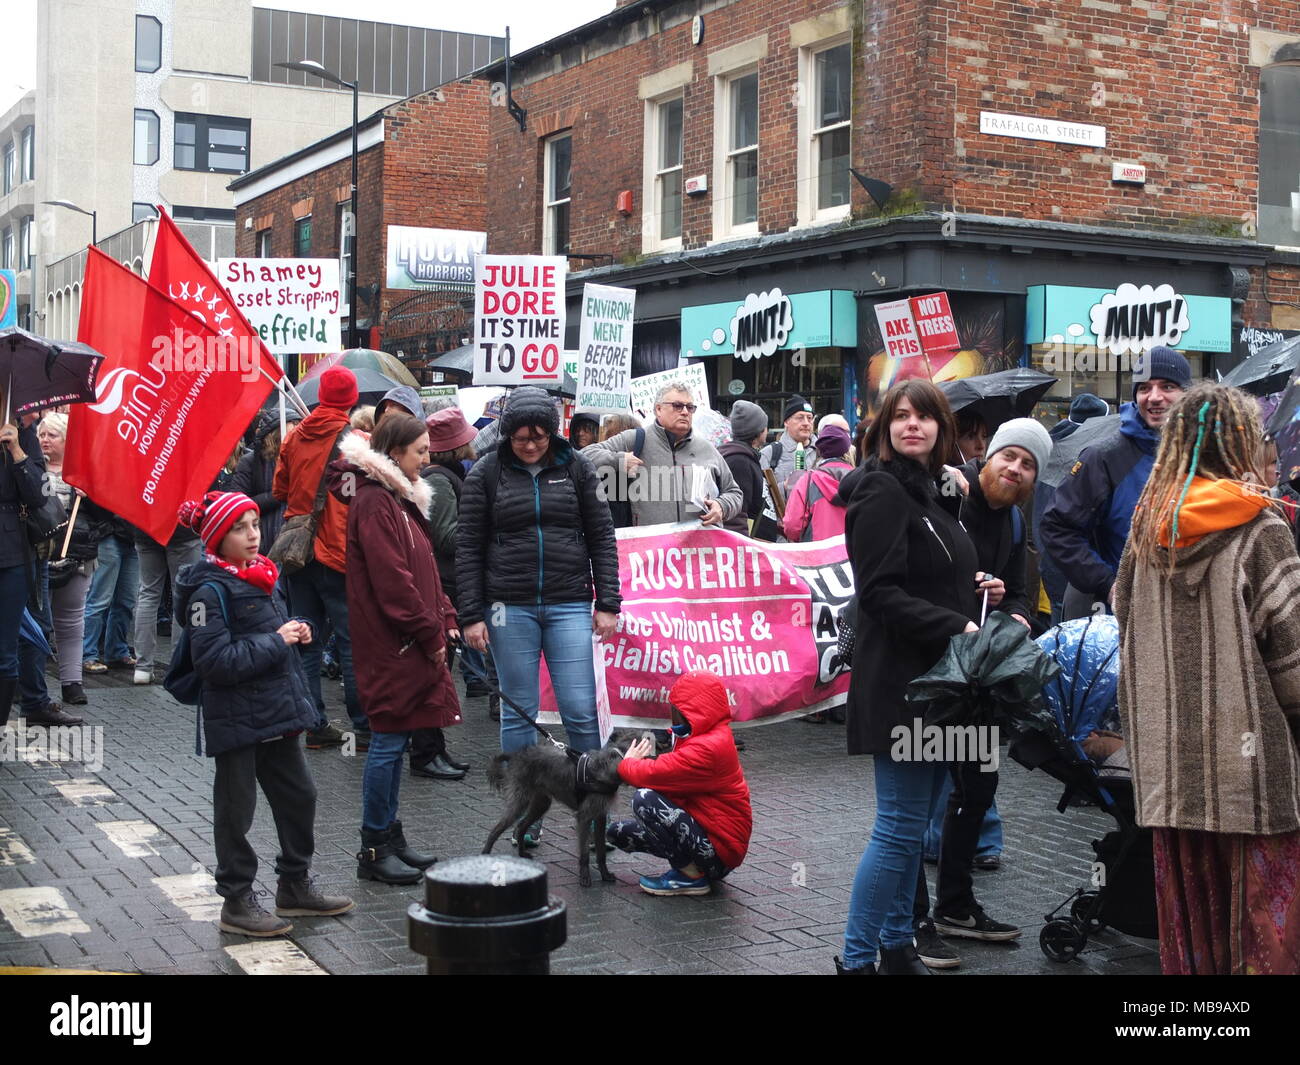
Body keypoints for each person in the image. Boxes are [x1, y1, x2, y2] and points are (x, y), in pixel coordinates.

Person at [1114, 382, 1300, 974]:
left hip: (1170, 775)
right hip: (1253, 782)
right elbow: (1294, 665)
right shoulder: (1261, 528)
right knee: (1264, 942)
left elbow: (1122, 616)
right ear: (1243, 444)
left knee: (1193, 940)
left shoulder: (1147, 530)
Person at [835, 379, 982, 976]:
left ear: (941, 428)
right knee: (898, 828)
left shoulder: (928, 494)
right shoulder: (881, 490)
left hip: (933, 686)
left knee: (913, 825)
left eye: (924, 416)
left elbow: (927, 575)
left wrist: (974, 594)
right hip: (898, 684)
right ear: (883, 428)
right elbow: (879, 594)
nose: (912, 425)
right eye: (900, 416)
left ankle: (897, 946)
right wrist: (956, 625)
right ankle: (855, 958)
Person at [172, 491, 354, 936]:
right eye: (240, 527)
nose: (254, 534)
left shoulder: (261, 575)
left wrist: (295, 633)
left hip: (277, 710)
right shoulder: (209, 591)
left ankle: (294, 884)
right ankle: (236, 900)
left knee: (300, 796)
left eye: (255, 523)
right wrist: (279, 640)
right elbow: (214, 662)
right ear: (218, 537)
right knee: (236, 812)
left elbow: (267, 636)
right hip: (236, 718)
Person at [912, 417, 1052, 965]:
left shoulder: (1016, 522)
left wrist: (1011, 610)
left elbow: (1021, 597)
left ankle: (955, 904)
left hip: (976, 681)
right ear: (988, 456)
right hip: (925, 671)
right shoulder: (949, 491)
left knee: (975, 792)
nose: (1014, 469)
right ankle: (913, 921)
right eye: (1008, 457)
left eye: (1027, 465)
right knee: (917, 800)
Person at [459, 386, 621, 848]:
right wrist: (471, 615)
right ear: (506, 433)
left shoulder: (576, 466)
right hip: (508, 608)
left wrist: (607, 601)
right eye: (520, 437)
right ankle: (525, 815)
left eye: (539, 435)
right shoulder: (485, 474)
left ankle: (594, 815)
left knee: (579, 710)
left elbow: (601, 537)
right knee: (519, 711)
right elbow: (468, 548)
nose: (530, 444)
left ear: (554, 431)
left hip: (569, 600)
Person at [328, 414, 462, 884]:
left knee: (397, 739)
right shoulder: (375, 503)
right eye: (420, 451)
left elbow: (423, 569)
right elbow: (393, 583)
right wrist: (428, 632)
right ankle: (373, 847)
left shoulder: (398, 500)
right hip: (392, 644)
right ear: (395, 452)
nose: (427, 459)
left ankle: (390, 834)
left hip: (408, 641)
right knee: (387, 741)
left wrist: (444, 616)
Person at [1041, 346, 1191, 620]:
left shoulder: (1205, 456)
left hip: (1187, 616)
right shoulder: (1105, 457)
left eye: (1167, 386)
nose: (1155, 397)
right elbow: (1057, 527)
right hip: (1122, 622)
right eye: (1144, 388)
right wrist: (1108, 584)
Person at [273, 365, 362, 749]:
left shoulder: (294, 437)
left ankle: (312, 722)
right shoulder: (356, 443)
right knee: (351, 642)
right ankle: (364, 724)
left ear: (321, 396)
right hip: (340, 551)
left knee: (305, 638)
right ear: (352, 399)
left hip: (299, 553)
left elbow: (280, 490)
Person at [609, 671, 752, 896]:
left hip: (720, 851)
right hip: (706, 836)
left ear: (694, 710)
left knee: (645, 799)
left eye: (678, 709)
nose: (673, 714)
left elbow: (652, 775)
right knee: (618, 833)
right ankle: (693, 867)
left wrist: (627, 764)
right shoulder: (700, 733)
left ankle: (691, 877)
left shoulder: (709, 747)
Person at [407, 406, 478, 781]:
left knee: (440, 672)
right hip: (445, 585)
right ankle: (425, 752)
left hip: (447, 584)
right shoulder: (441, 480)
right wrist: (481, 531)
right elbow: (446, 536)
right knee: (436, 672)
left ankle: (433, 748)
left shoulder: (445, 477)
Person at [583, 382, 742, 528]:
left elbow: (734, 493)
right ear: (658, 409)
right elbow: (584, 456)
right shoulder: (635, 439)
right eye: (677, 406)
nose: (685, 412)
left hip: (696, 551)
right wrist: (618, 460)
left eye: (690, 407)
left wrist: (722, 506)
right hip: (651, 553)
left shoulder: (707, 448)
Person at [35, 413, 103, 707]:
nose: (45, 440)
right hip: (38, 555)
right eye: (42, 435)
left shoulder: (83, 471)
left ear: (67, 440)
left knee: (71, 621)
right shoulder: (30, 468)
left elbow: (106, 517)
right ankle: (32, 683)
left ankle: (71, 683)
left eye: (52, 435)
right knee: (37, 623)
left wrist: (91, 496)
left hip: (77, 555)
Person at [1, 406, 47, 728]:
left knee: (5, 651)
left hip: (11, 553)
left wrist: (16, 450)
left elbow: (38, 496)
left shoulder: (22, 435)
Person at [233, 409, 301, 550]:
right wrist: (278, 495)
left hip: (297, 540)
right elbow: (238, 505)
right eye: (291, 426)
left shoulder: (302, 458)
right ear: (275, 434)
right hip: (264, 540)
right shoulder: (252, 462)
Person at [756, 394, 817, 540]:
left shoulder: (824, 452)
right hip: (782, 538)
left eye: (809, 418)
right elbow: (759, 497)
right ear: (786, 422)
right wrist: (784, 487)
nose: (806, 423)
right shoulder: (769, 454)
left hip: (816, 534)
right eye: (799, 417)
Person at [782, 424, 855, 542]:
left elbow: (792, 526)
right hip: (851, 554)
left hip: (816, 555)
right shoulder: (861, 480)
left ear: (820, 451)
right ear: (847, 449)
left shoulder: (807, 481)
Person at [719, 400, 768, 535]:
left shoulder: (737, 455)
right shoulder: (740, 461)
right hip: (739, 542)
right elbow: (739, 510)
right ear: (759, 431)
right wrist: (742, 545)